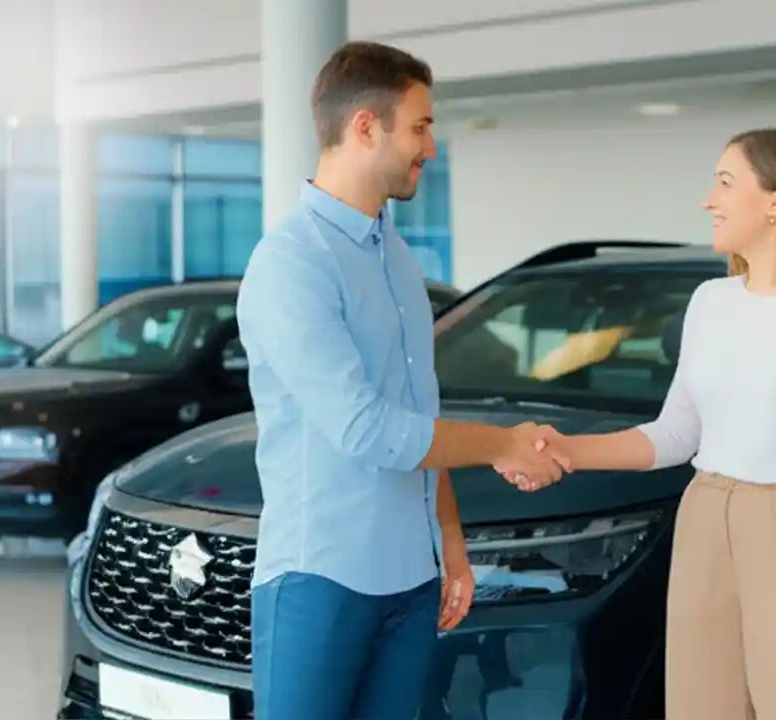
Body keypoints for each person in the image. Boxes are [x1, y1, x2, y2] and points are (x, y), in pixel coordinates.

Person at [513, 128, 776, 719]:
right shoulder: (710, 301)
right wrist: (567, 450)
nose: (708, 200)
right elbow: (675, 435)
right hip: (704, 517)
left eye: (724, 183)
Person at [235, 41, 568, 720]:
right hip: (320, 579)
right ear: (365, 127)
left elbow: (418, 410)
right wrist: (502, 445)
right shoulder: (290, 264)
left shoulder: (398, 258)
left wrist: (449, 543)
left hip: (411, 579)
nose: (431, 148)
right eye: (419, 126)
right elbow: (364, 427)